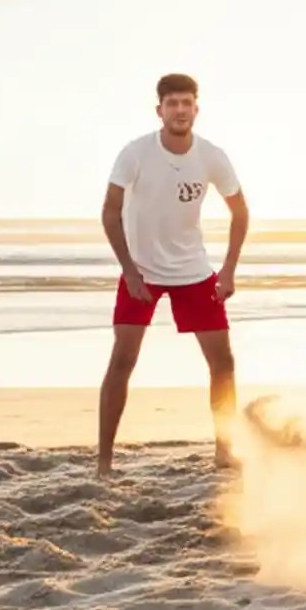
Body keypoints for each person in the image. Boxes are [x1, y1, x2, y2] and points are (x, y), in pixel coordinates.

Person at [97, 73, 250, 477]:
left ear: (196, 108)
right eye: (172, 104)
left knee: (223, 362)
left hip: (193, 271)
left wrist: (229, 270)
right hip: (142, 271)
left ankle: (224, 449)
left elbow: (240, 212)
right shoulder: (136, 153)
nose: (180, 110)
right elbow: (110, 212)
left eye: (187, 103)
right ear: (160, 110)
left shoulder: (212, 156)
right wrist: (129, 271)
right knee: (123, 360)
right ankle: (104, 463)